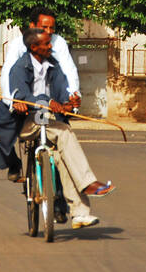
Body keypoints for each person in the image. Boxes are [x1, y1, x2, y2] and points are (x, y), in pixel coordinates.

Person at [9, 27, 113, 229]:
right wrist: (46, 101)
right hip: (28, 120)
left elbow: (63, 90)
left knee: (62, 157)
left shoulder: (54, 66)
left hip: (50, 119)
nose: (50, 47)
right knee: (65, 134)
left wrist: (69, 102)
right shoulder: (19, 68)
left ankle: (80, 213)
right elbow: (20, 95)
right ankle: (87, 183)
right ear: (34, 47)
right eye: (46, 44)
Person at [0, 7, 81, 181]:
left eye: (52, 29)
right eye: (44, 28)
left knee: (63, 140)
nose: (49, 33)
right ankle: (13, 163)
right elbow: (8, 73)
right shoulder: (17, 45)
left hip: (50, 103)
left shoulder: (58, 43)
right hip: (25, 102)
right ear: (32, 26)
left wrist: (71, 97)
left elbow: (69, 71)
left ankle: (59, 196)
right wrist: (13, 102)